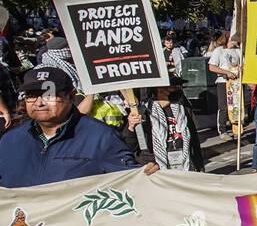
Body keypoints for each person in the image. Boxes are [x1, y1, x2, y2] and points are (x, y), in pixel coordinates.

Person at [0, 66, 147, 188]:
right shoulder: (9, 141)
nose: (39, 103)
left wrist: (148, 176)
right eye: (31, 96)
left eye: (49, 95)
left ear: (71, 96)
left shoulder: (101, 137)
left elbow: (130, 183)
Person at [126, 77, 205, 172]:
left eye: (179, 86)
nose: (178, 89)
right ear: (160, 89)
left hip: (182, 166)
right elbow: (131, 146)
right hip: (155, 168)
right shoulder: (144, 112)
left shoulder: (183, 109)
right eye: (173, 87)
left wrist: (199, 165)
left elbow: (194, 140)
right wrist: (131, 127)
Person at [207, 32, 242, 139]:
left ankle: (236, 128)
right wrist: (226, 72)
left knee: (236, 105)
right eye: (232, 39)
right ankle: (222, 130)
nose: (234, 41)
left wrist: (240, 68)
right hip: (223, 81)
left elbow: (242, 64)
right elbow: (212, 67)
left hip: (236, 82)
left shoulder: (238, 51)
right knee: (224, 106)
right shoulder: (219, 51)